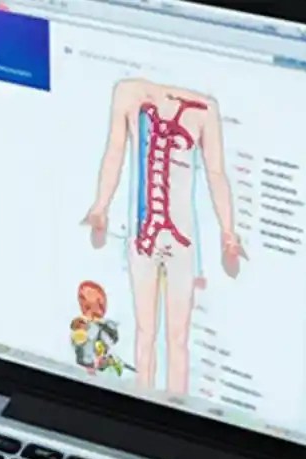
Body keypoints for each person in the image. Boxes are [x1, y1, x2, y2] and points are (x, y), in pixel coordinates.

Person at [81, 78, 245, 398]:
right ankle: (142, 409)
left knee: (178, 338)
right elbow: (115, 151)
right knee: (145, 334)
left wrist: (229, 231)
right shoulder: (128, 92)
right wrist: (100, 206)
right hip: (144, 239)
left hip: (180, 242)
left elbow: (216, 172)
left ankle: (177, 411)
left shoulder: (204, 108)